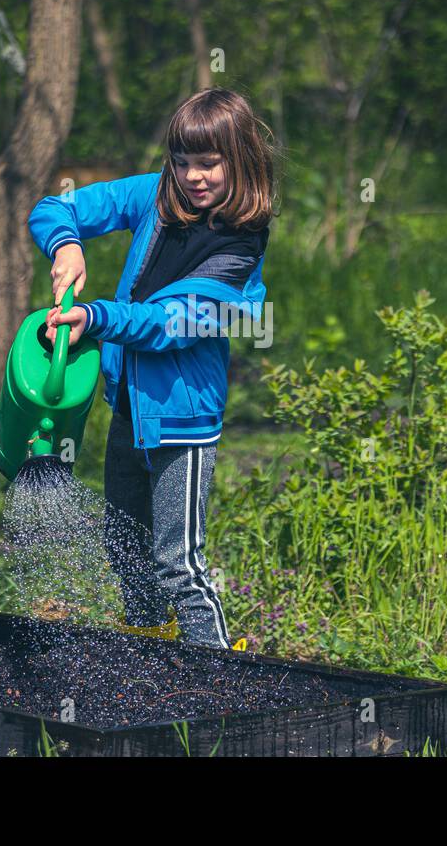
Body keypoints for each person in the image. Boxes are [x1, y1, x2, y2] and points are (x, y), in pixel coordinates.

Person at [27, 87, 276, 649]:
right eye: (182, 161)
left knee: (177, 565)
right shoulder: (156, 197)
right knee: (125, 552)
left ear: (240, 160)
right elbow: (56, 207)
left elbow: (166, 325)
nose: (193, 176)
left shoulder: (239, 249)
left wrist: (91, 316)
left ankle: (220, 682)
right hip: (130, 410)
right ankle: (153, 664)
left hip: (182, 422)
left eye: (209, 163)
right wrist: (66, 245)